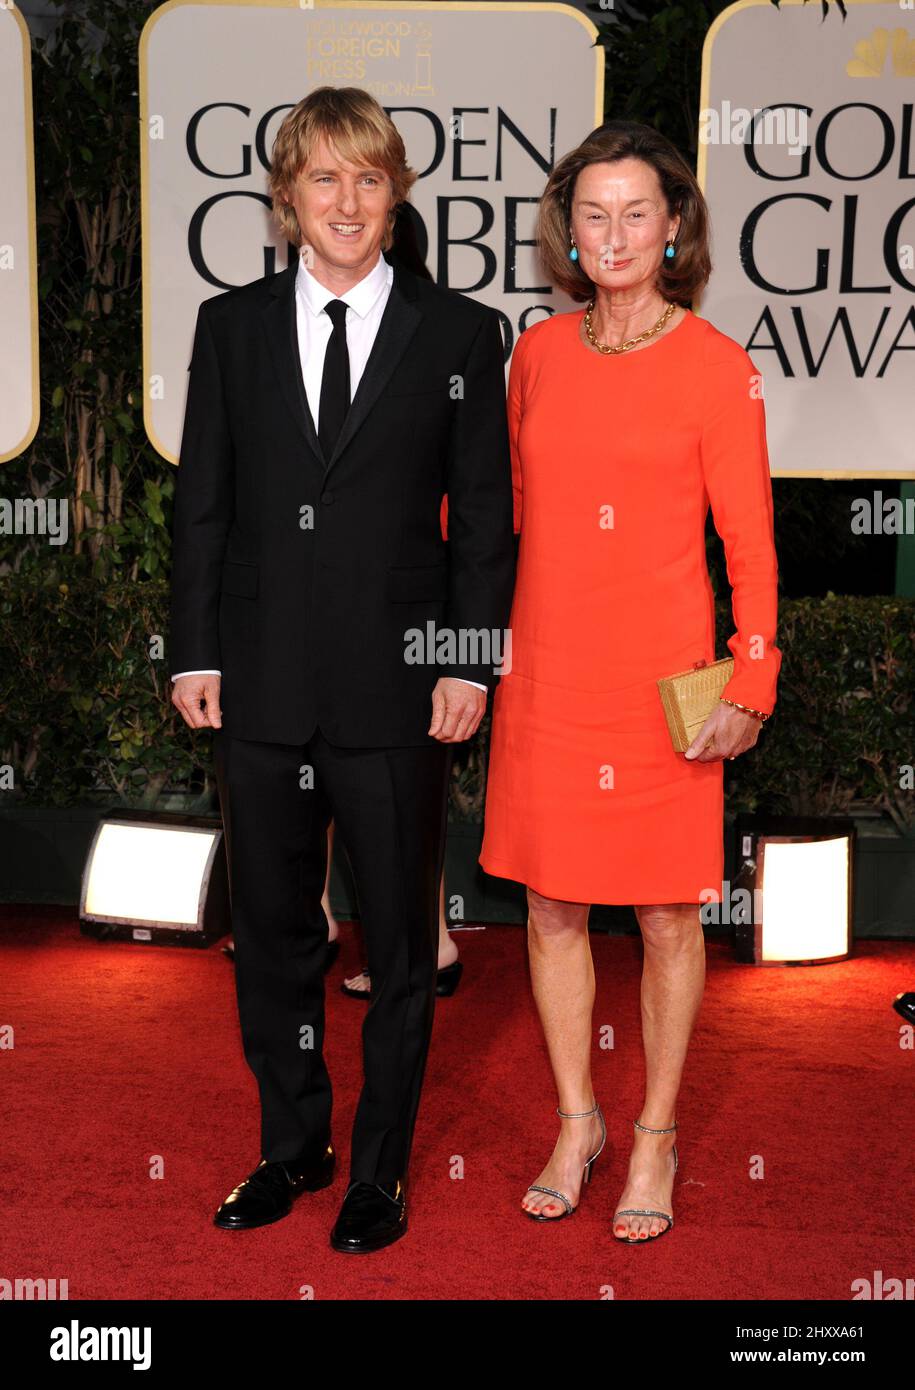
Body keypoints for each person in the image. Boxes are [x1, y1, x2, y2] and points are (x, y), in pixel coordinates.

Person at [170, 86, 514, 1253]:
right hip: (260, 680)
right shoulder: (230, 327)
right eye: (325, 178)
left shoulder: (463, 334)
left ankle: (380, 1173)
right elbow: (201, 509)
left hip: (400, 685)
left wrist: (470, 663)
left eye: (369, 177)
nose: (348, 200)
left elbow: (481, 519)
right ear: (286, 199)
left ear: (397, 193)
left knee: (402, 948)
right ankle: (291, 1146)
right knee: (272, 934)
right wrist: (196, 648)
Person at [479, 119, 781, 1242]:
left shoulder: (717, 368)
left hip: (666, 685)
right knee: (551, 904)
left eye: (635, 213)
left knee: (664, 913)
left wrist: (751, 679)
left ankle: (653, 1130)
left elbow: (749, 546)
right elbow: (500, 514)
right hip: (547, 671)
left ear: (674, 228)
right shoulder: (539, 355)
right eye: (590, 213)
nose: (611, 233)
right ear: (570, 229)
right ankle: (577, 1118)